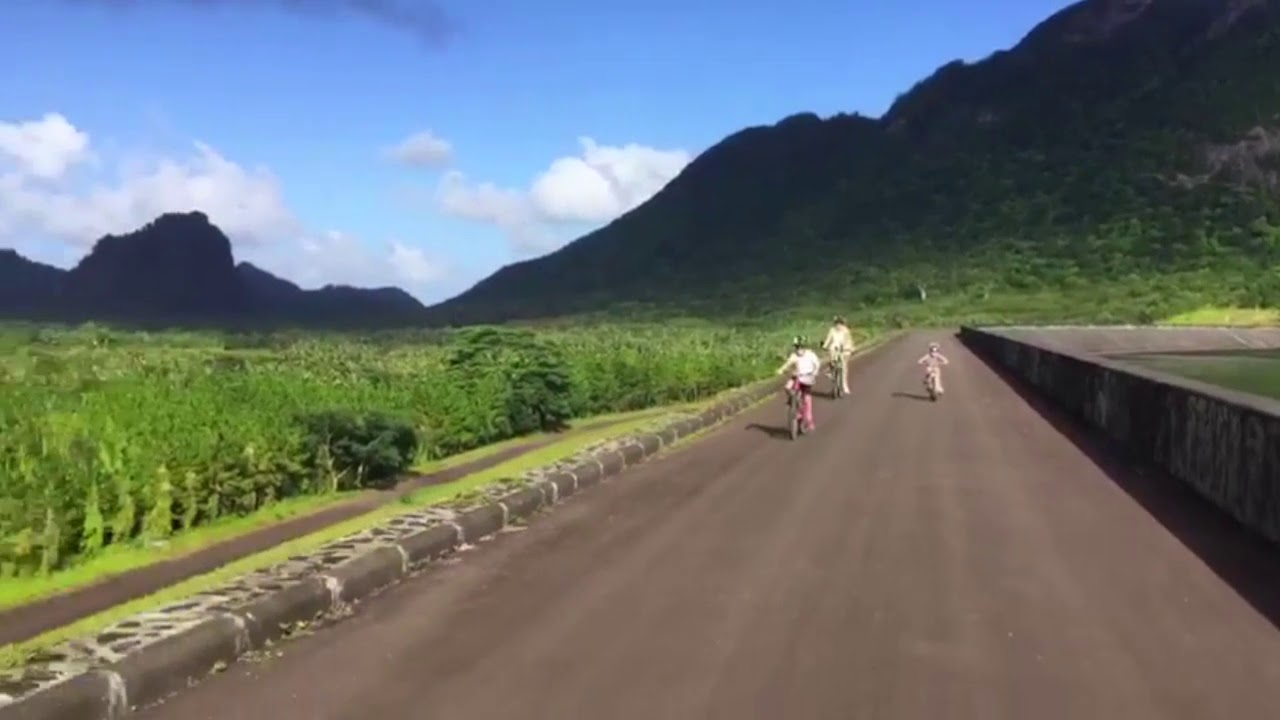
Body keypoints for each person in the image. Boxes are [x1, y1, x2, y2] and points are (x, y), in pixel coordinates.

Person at [777, 336, 821, 431]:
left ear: (805, 347)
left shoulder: (810, 355)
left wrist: (815, 371)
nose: (799, 349)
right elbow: (787, 364)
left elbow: (817, 363)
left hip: (807, 377)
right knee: (787, 387)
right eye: (797, 347)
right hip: (797, 376)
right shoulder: (794, 356)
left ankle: (808, 420)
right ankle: (793, 402)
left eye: (801, 347)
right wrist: (781, 369)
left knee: (806, 399)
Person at [821, 315, 855, 395]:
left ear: (842, 324)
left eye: (840, 324)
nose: (838, 326)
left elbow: (849, 340)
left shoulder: (846, 331)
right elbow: (828, 339)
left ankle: (844, 385)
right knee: (832, 360)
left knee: (844, 366)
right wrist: (824, 346)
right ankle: (831, 370)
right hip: (834, 348)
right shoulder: (832, 330)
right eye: (837, 324)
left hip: (844, 349)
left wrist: (850, 348)